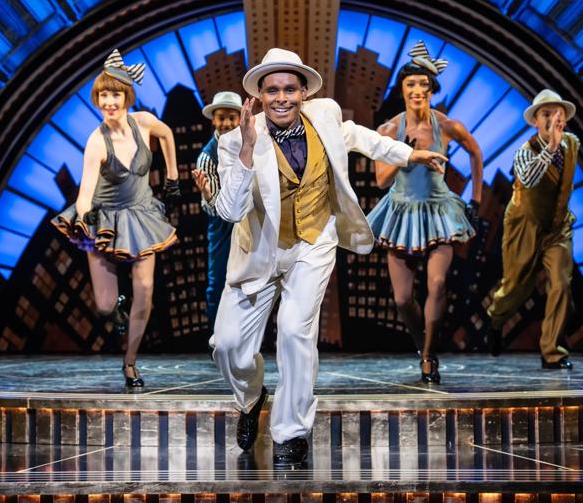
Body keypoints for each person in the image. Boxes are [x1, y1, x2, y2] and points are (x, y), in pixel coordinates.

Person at [210, 47, 447, 466]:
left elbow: (362, 137)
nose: (281, 98)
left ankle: (290, 432)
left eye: (290, 89)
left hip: (313, 242)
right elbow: (229, 211)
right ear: (260, 96)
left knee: (295, 331)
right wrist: (247, 149)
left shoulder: (325, 115)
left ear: (304, 92)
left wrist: (409, 154)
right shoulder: (234, 141)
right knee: (229, 347)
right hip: (258, 252)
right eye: (272, 90)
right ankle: (250, 397)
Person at [52, 49, 181, 388]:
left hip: (141, 214)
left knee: (146, 287)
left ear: (126, 97)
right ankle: (117, 307)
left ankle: (130, 362)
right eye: (103, 96)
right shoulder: (97, 142)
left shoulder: (144, 123)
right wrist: (86, 216)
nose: (109, 102)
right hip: (106, 220)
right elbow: (85, 192)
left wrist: (172, 178)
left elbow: (167, 135)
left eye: (115, 95)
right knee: (105, 305)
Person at [367, 41, 483, 384]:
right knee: (403, 299)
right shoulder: (389, 130)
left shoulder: (446, 125)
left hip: (438, 213)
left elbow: (475, 152)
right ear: (402, 89)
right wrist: (403, 153)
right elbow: (381, 180)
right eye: (411, 84)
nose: (417, 90)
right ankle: (423, 346)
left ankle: (430, 356)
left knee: (437, 282)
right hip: (401, 214)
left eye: (423, 84)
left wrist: (476, 199)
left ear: (432, 89)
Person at [487, 89, 579, 370]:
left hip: (557, 227)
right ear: (536, 122)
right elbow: (528, 179)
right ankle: (496, 319)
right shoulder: (525, 152)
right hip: (524, 226)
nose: (552, 119)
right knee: (515, 286)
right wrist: (550, 148)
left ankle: (552, 352)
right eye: (545, 114)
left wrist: (558, 145)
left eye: (556, 113)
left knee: (561, 283)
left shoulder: (572, 143)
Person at [192, 92, 242, 331]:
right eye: (222, 117)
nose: (227, 123)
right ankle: (217, 336)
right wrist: (208, 194)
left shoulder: (250, 145)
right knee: (219, 281)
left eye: (232, 117)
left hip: (249, 222)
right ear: (213, 120)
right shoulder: (207, 156)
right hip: (223, 228)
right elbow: (213, 208)